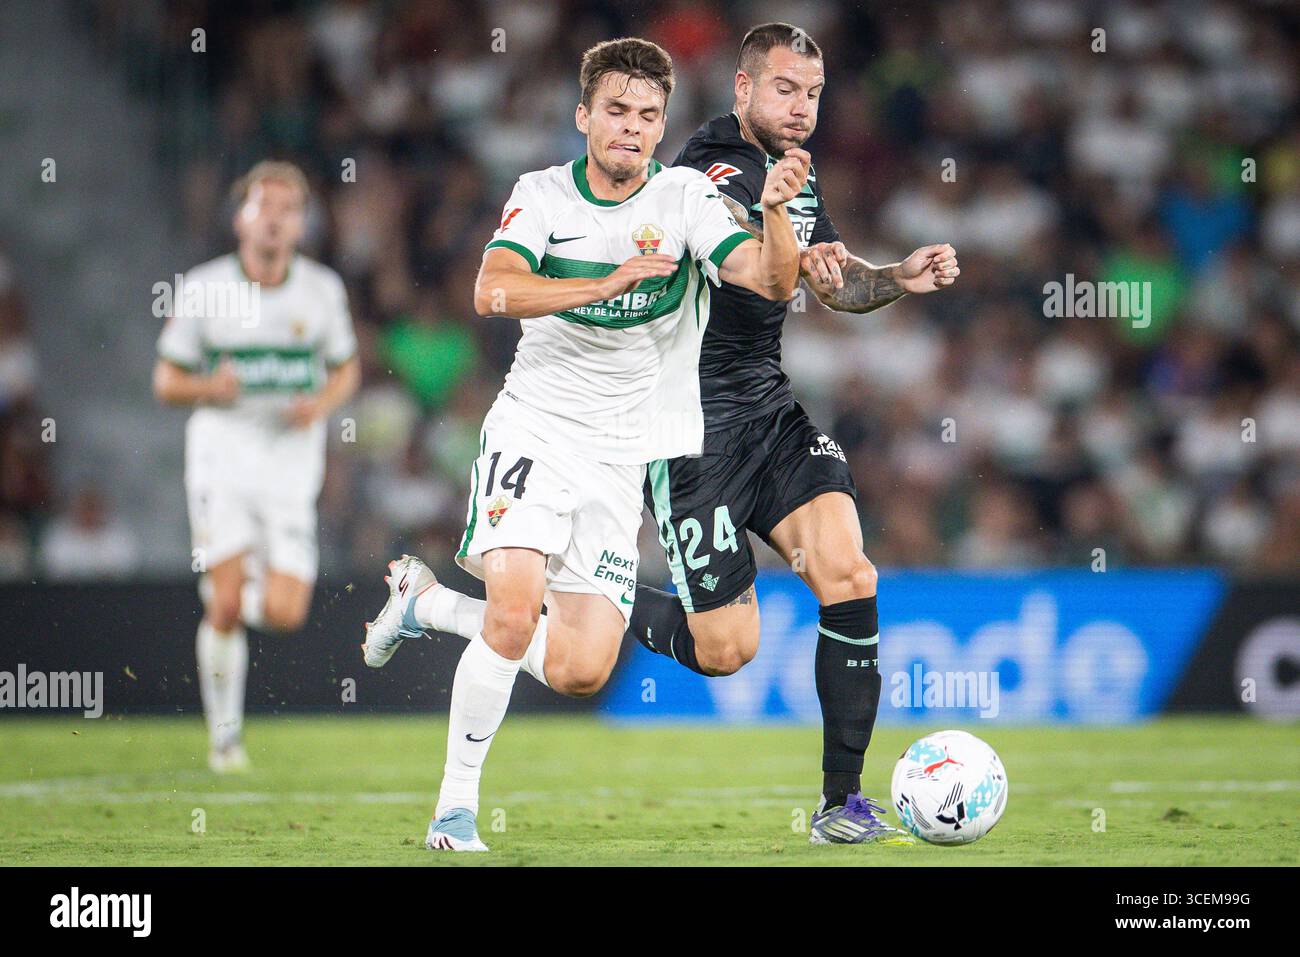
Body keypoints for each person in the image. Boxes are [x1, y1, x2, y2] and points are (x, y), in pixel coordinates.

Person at [361, 37, 806, 852]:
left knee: (579, 667)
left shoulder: (682, 201)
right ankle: (453, 811)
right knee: (513, 606)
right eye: (616, 111)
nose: (632, 128)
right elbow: (492, 288)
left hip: (620, 456)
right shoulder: (541, 196)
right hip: (537, 424)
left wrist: (774, 209)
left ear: (662, 125)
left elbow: (771, 280)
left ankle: (423, 603)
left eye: (647, 115)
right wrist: (598, 285)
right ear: (583, 117)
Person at [630, 22, 960, 844]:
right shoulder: (708, 170)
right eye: (784, 89)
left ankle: (840, 804)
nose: (802, 107)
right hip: (688, 432)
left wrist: (897, 278)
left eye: (813, 93)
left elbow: (830, 281)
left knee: (848, 571)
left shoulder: (795, 177)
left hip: (769, 414)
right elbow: (770, 266)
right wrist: (783, 229)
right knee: (727, 647)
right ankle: (599, 594)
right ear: (742, 89)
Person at [153, 161, 360, 772]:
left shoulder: (322, 290)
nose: (274, 218)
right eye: (262, 206)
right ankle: (225, 740)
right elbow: (165, 379)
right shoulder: (204, 287)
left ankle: (227, 594)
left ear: (301, 223)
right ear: (240, 217)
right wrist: (208, 387)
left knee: (286, 612)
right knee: (221, 608)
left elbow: (346, 368)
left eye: (288, 209)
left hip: (292, 465)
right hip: (222, 455)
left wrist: (318, 404)